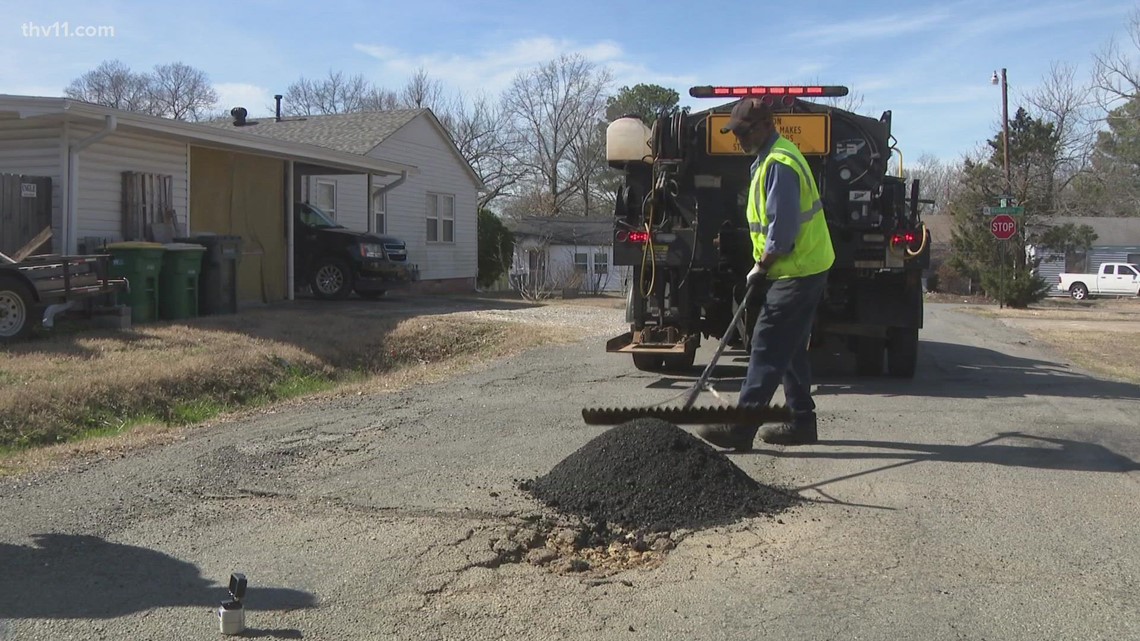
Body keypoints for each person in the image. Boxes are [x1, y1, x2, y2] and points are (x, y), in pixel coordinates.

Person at [697, 98, 835, 451]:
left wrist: (762, 265)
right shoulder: (767, 159)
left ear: (765, 125)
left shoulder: (779, 164)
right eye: (736, 133)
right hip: (802, 266)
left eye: (744, 132)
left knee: (767, 343)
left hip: (797, 269)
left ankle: (740, 429)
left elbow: (783, 230)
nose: (739, 139)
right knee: (790, 347)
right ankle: (802, 421)